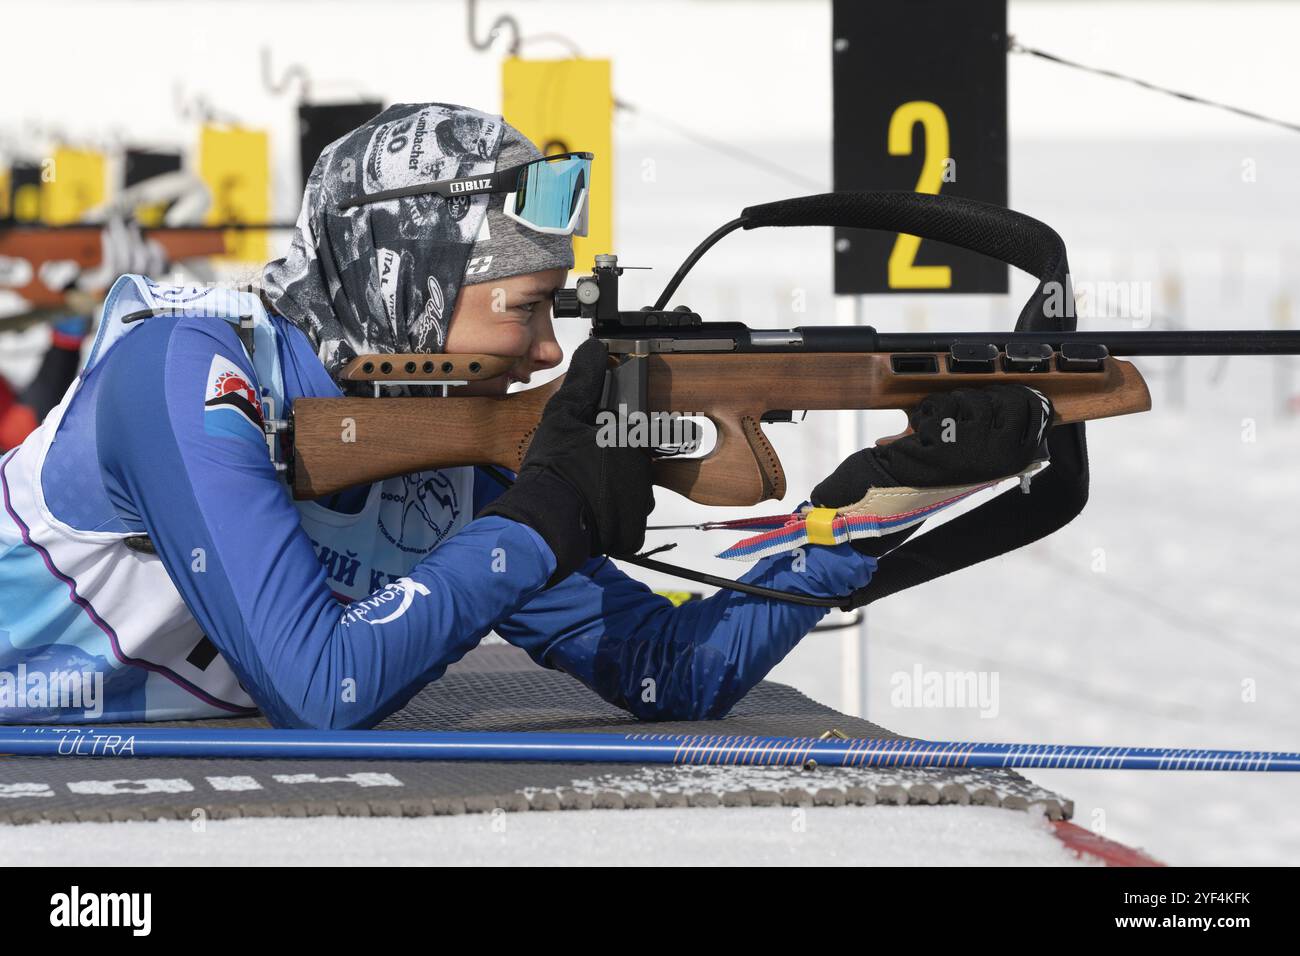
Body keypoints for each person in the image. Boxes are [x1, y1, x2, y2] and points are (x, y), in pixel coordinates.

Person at [0, 103, 1050, 727]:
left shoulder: (451, 443)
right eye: (527, 307)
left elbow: (667, 670)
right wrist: (546, 514)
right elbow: (318, 689)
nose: (550, 350)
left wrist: (862, 512)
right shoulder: (188, 366)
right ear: (403, 280)